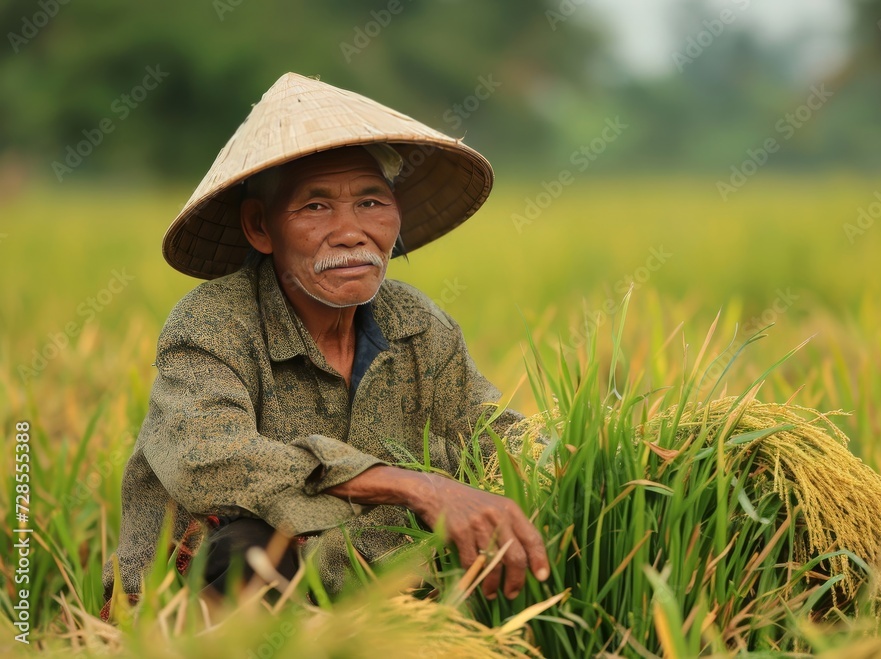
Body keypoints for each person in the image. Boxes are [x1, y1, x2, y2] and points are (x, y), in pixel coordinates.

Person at [101, 72, 549, 619]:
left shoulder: (418, 324)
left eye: (370, 202)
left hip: (374, 588)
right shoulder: (212, 323)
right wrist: (417, 487)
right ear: (260, 227)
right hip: (203, 600)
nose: (350, 231)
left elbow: (494, 433)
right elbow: (208, 459)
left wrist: (583, 460)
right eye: (315, 207)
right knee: (247, 546)